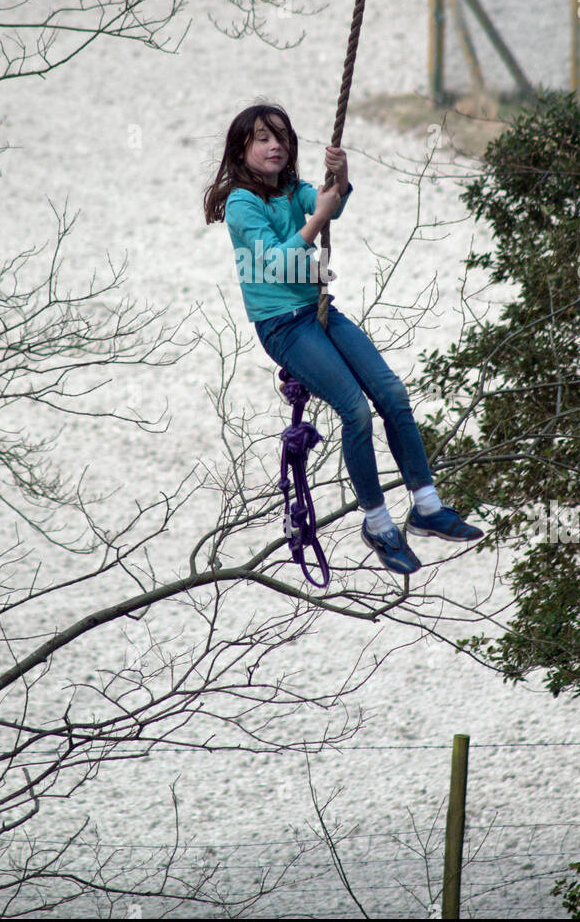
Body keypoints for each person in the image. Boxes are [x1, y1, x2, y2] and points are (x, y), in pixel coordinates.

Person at [203, 102, 483, 575]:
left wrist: (341, 175)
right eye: (261, 139)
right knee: (354, 410)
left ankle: (427, 505)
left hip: (319, 312)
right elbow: (275, 261)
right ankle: (376, 522)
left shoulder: (292, 189)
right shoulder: (242, 203)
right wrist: (317, 221)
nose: (274, 146)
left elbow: (331, 201)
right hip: (283, 324)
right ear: (241, 150)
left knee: (392, 393)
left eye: (281, 138)